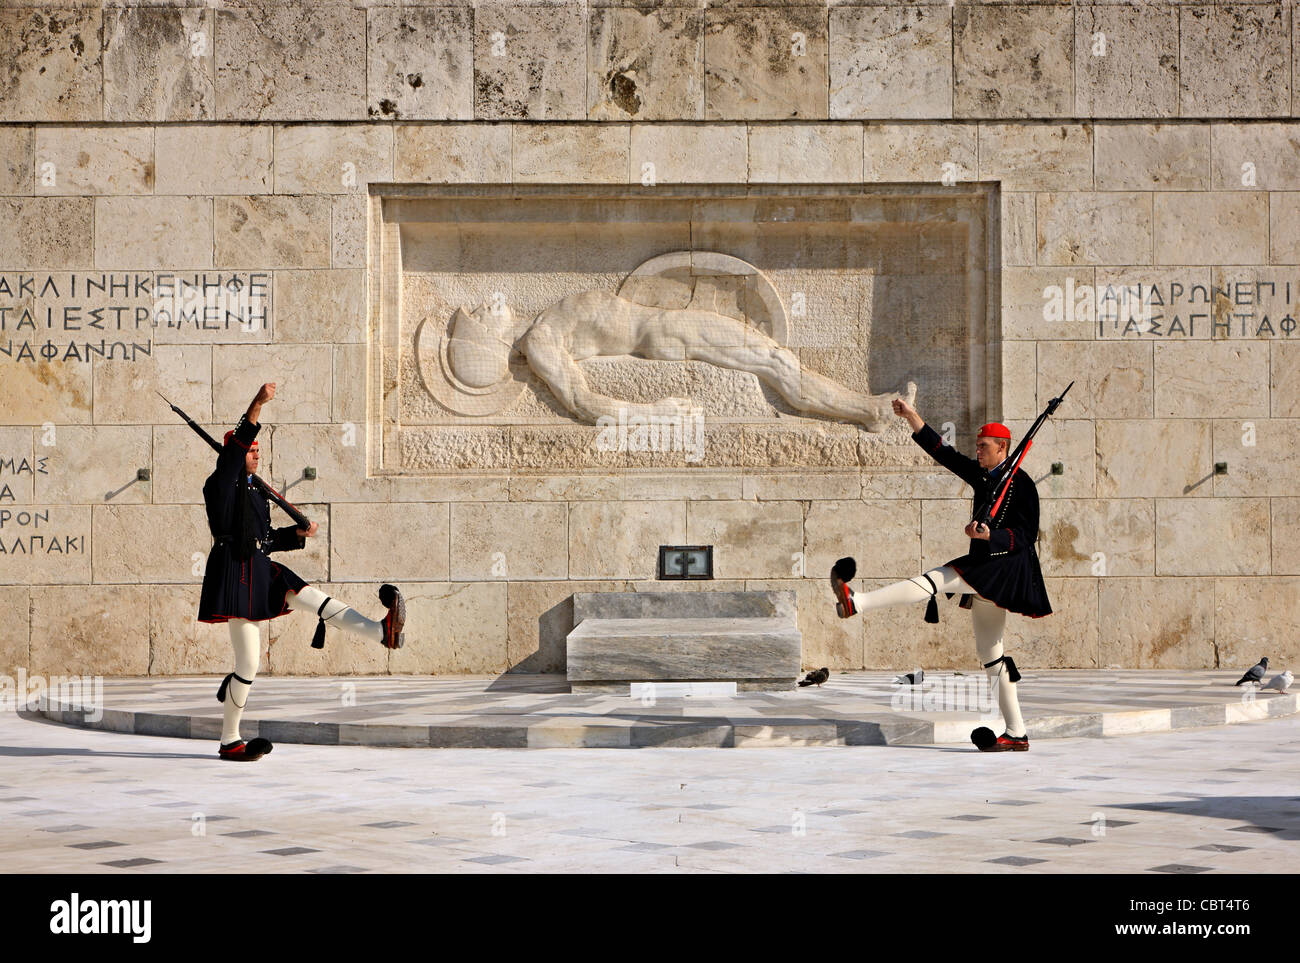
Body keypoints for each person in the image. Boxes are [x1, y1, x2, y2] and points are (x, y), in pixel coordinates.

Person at [197, 382, 406, 762]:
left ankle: (382, 632)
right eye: (250, 451)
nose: (256, 455)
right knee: (248, 664)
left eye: (259, 451)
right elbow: (239, 446)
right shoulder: (220, 484)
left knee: (317, 600)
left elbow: (266, 539)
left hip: (262, 569)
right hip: (236, 576)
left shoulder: (254, 491)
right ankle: (230, 740)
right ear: (233, 453)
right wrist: (257, 403)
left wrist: (297, 534)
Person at [831, 395, 1052, 751]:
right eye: (978, 446)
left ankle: (857, 602)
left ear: (1003, 448)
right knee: (991, 654)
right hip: (987, 569)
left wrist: (989, 535)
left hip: (1006, 568)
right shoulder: (985, 477)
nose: (977, 451)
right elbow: (944, 454)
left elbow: (1027, 535)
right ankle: (1017, 733)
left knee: (935, 579)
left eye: (984, 447)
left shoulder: (1023, 484)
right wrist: (913, 417)